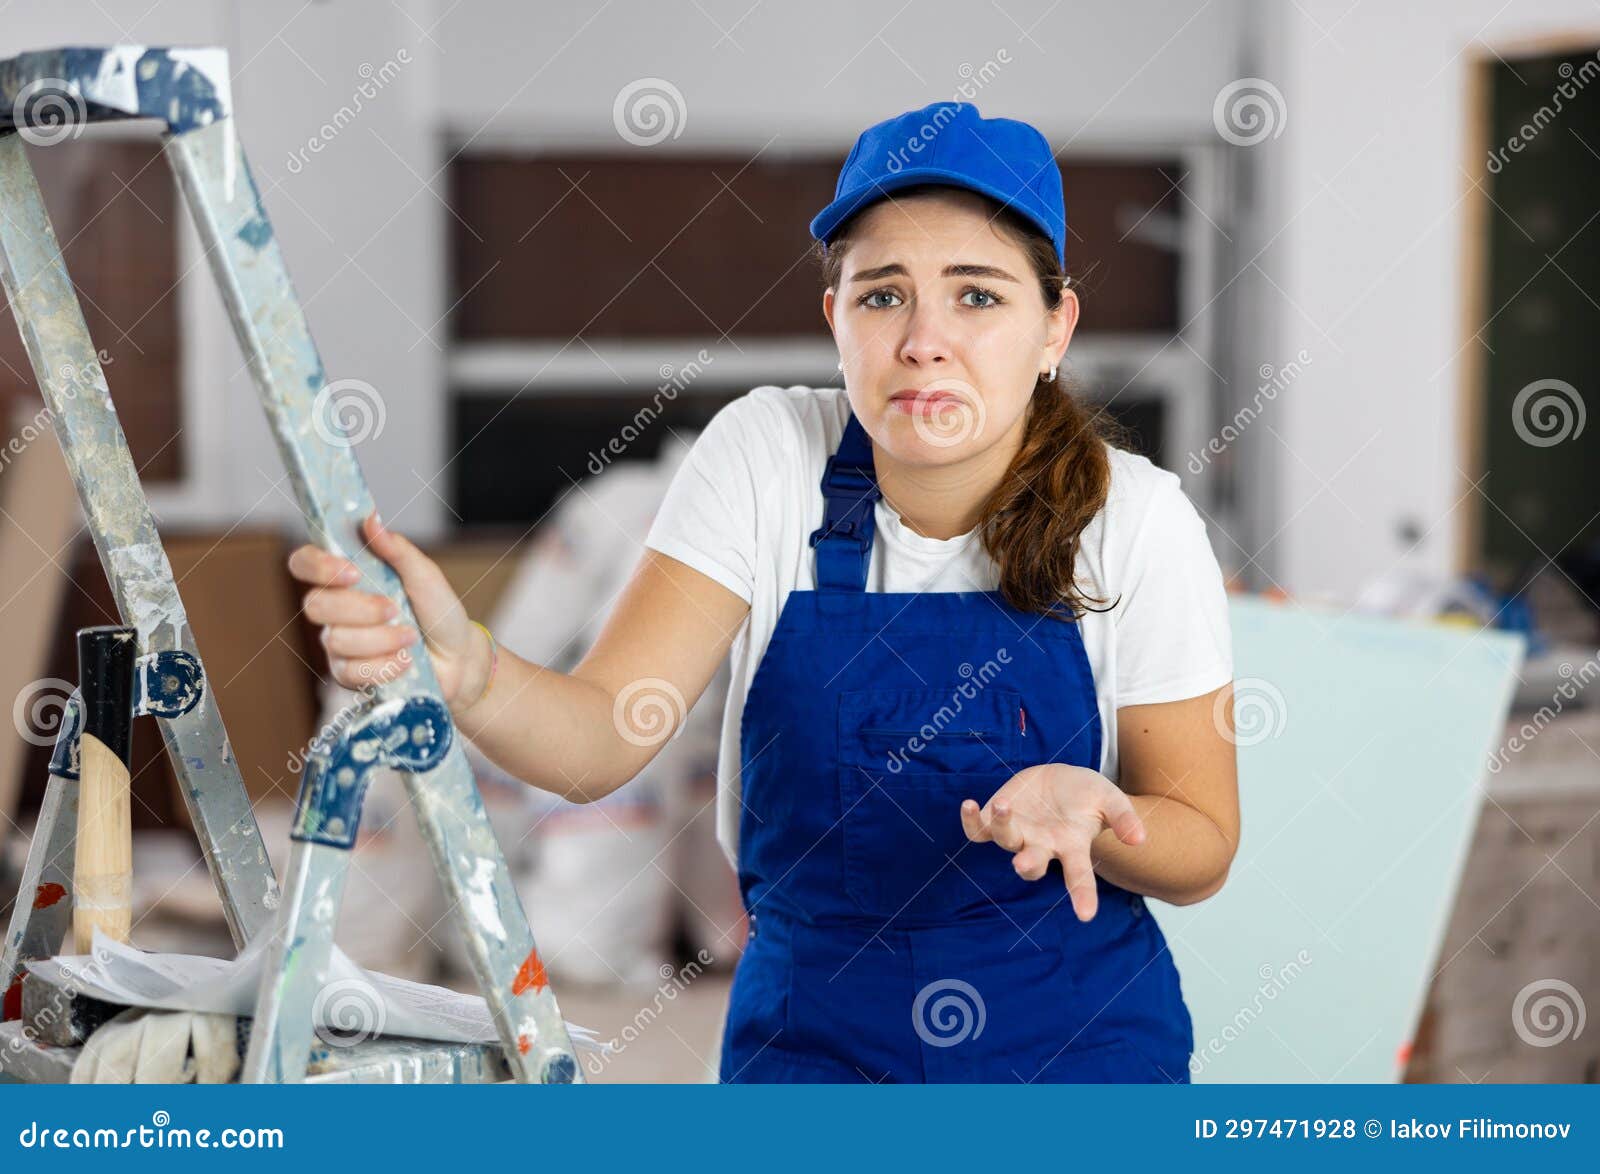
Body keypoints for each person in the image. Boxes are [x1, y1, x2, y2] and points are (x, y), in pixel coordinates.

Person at [288, 100, 1239, 1084]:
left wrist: (1096, 811)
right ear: (835, 319)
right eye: (881, 296)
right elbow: (601, 737)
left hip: (1074, 1058)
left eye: (977, 296)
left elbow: (1201, 844)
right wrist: (468, 667)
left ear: (1054, 326)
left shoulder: (1135, 519)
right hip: (811, 1048)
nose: (924, 339)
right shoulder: (765, 456)